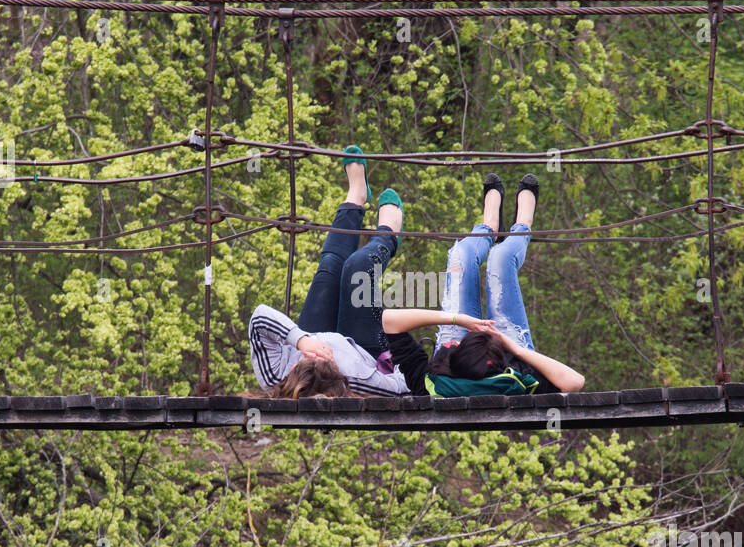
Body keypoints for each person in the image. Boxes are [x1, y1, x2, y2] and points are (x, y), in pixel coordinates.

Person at [248, 146, 493, 398]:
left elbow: (259, 318)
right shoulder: (356, 380)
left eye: (309, 359)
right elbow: (402, 386)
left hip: (314, 332)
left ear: (294, 366)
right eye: (326, 361)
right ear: (336, 371)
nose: (322, 353)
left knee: (330, 267)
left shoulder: (275, 373)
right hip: (363, 353)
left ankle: (356, 195)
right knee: (359, 266)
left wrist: (303, 342)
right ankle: (388, 234)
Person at [382, 173, 585, 396]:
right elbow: (574, 382)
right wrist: (513, 347)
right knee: (501, 260)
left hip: (470, 356)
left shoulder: (432, 385)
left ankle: (489, 225)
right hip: (510, 349)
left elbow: (389, 322)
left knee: (460, 256)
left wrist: (457, 319)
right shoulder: (514, 383)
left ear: (455, 356)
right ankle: (523, 225)